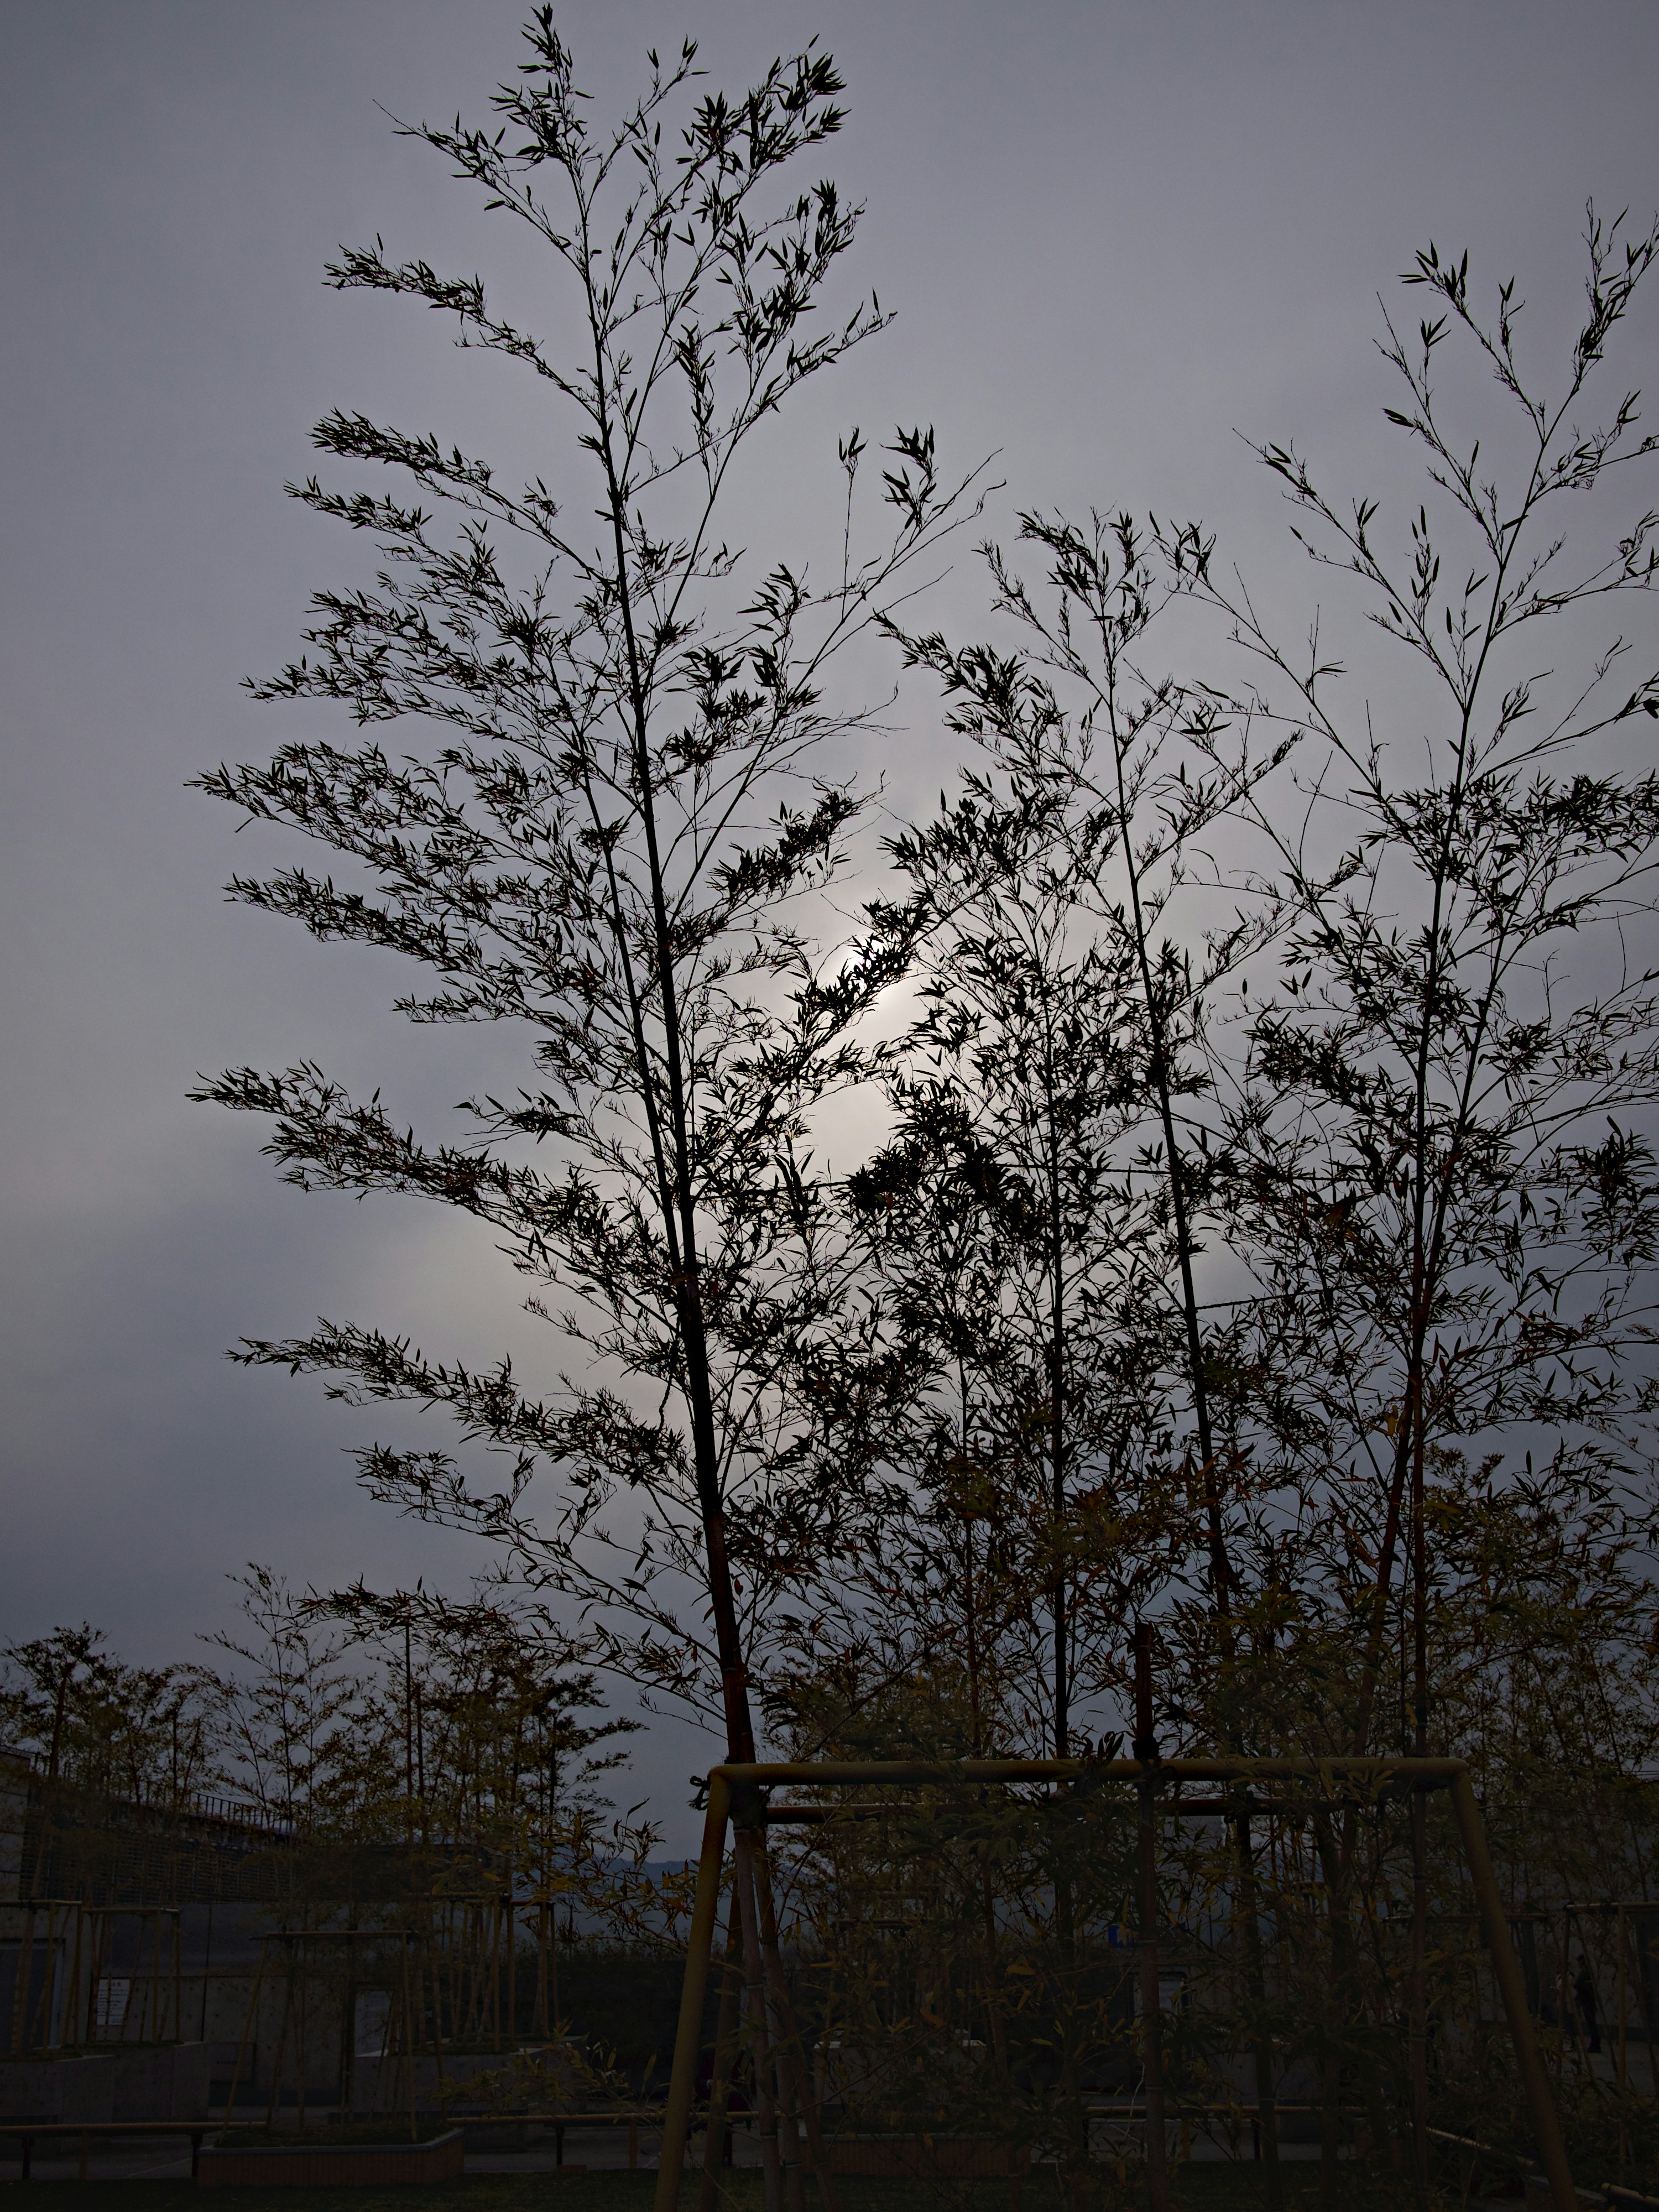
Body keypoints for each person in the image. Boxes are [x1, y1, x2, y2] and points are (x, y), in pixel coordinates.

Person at [1574, 1953, 1601, 2054]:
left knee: (1591, 2024)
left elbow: (1585, 1988)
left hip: (1587, 2002)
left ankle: (1595, 2044)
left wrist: (1576, 1986)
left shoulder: (1585, 1973)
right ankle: (1595, 2044)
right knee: (1591, 2024)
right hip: (1587, 2001)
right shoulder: (1586, 1973)